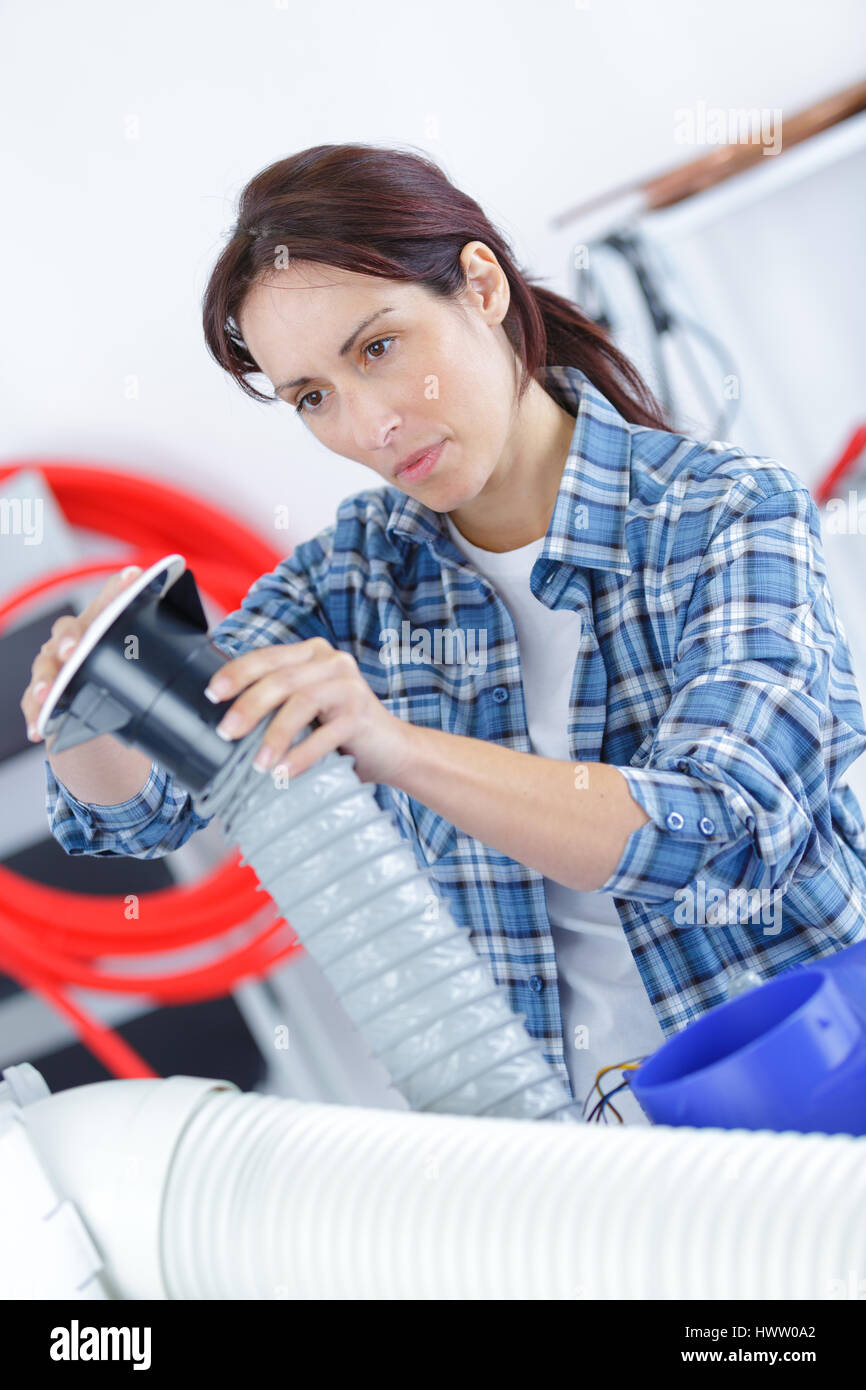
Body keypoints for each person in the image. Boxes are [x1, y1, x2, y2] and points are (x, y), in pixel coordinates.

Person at [25, 143, 866, 1124]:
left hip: (814, 1095)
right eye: (311, 398)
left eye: (377, 348)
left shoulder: (721, 513)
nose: (368, 423)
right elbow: (140, 813)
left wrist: (398, 749)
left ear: (478, 286)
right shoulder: (352, 578)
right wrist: (86, 699)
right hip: (569, 1158)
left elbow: (719, 829)